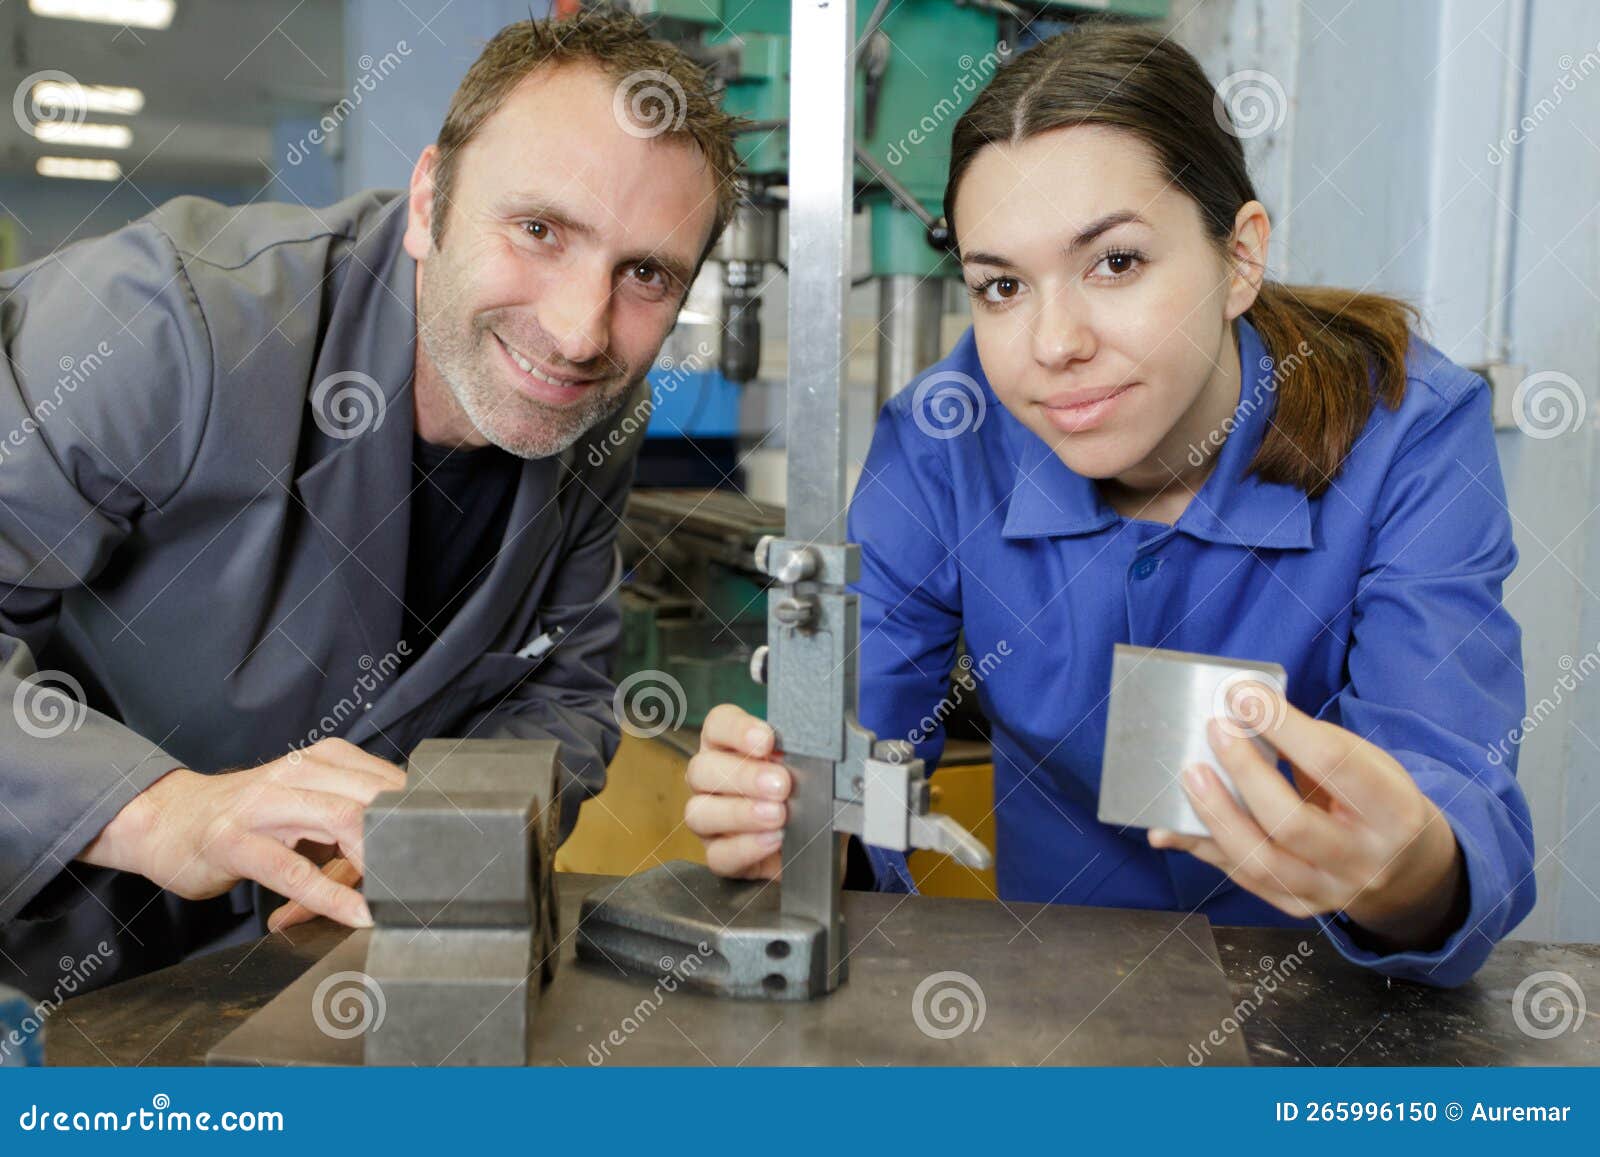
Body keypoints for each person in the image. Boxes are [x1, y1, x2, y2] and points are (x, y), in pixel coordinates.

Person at [687, 24, 1535, 988]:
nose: (1055, 343)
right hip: (1056, 1008)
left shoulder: (1408, 432)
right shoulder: (942, 441)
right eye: (1002, 285)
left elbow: (1457, 805)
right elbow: (850, 755)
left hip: (1332, 1016)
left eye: (1117, 262)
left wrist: (1404, 869)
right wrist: (789, 823)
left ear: (1241, 257)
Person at [0, 11, 739, 997]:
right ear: (430, 199)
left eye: (645, 273)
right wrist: (161, 811)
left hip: (285, 978)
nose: (578, 332)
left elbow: (559, 692)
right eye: (539, 229)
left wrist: (438, 836)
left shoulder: (593, 412)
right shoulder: (170, 323)